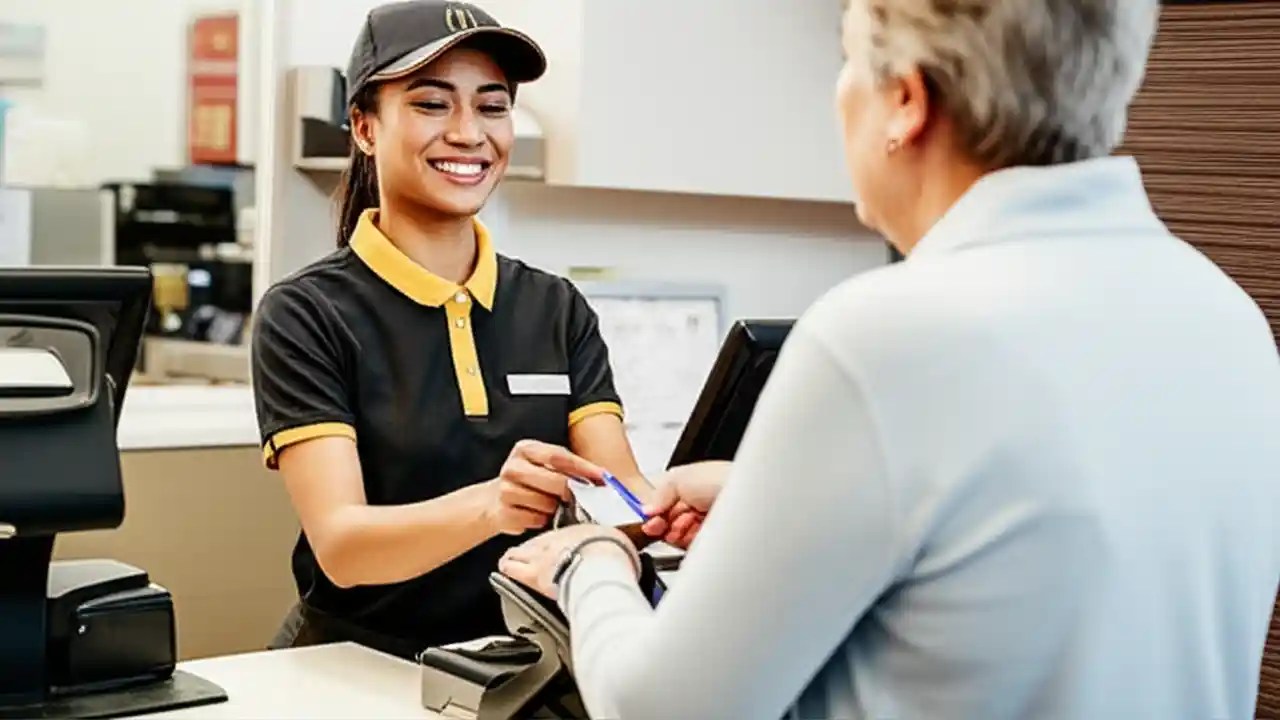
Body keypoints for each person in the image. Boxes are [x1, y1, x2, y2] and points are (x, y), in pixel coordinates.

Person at [499, 1, 1280, 717]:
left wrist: (591, 561)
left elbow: (661, 709)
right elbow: (1026, 573)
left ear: (905, 99)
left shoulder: (882, 338)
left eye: (845, 60)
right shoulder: (1228, 321)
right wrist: (767, 500)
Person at [251, 0, 645, 659]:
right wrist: (494, 504)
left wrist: (678, 507)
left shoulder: (557, 307)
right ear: (364, 127)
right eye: (433, 104)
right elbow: (343, 547)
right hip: (357, 665)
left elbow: (622, 499)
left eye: (492, 107)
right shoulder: (306, 314)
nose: (469, 133)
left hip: (523, 663)